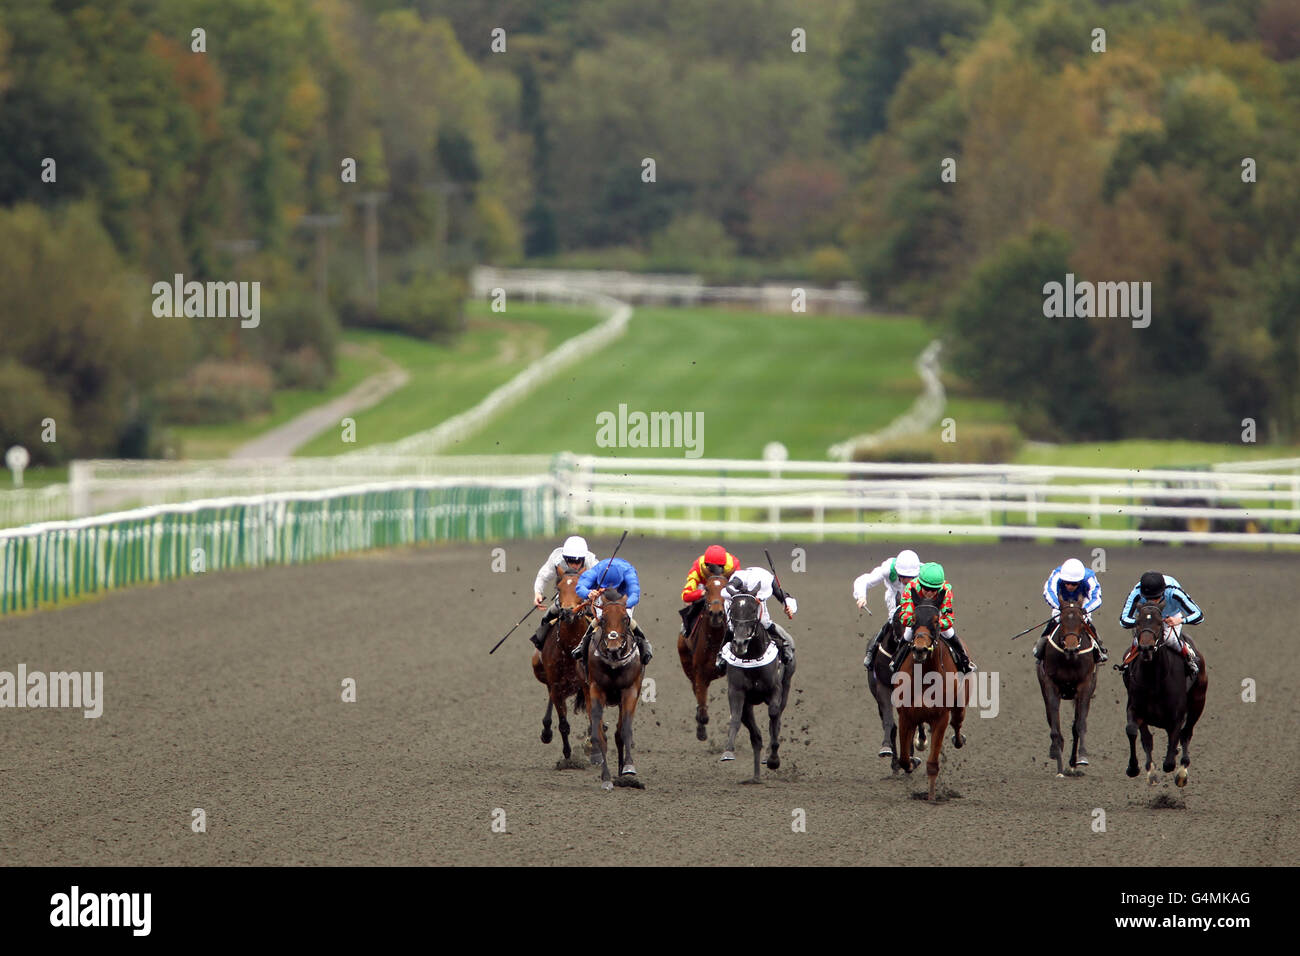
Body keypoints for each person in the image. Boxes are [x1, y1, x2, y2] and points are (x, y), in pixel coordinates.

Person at [890, 562, 976, 674]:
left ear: (939, 588)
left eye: (934, 590)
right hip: (917, 620)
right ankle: (896, 661)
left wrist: (935, 624)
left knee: (949, 633)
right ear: (920, 584)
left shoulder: (945, 591)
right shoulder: (911, 588)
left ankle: (965, 661)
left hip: (936, 617)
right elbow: (905, 615)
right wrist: (917, 621)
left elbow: (949, 618)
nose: (930, 593)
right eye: (926, 588)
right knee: (907, 634)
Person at [571, 556, 653, 666]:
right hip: (603, 598)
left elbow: (635, 594)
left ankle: (644, 643)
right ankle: (583, 644)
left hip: (623, 598)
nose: (609, 588)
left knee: (625, 618)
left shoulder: (628, 572)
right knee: (601, 618)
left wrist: (623, 606)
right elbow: (580, 587)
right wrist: (588, 593)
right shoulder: (596, 571)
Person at [1117, 570, 1202, 676]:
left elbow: (1199, 615)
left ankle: (1190, 660)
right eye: (1148, 598)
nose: (1153, 602)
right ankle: (1127, 663)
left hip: (1170, 616)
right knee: (1138, 641)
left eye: (1156, 598)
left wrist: (1179, 620)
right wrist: (1141, 622)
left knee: (1171, 639)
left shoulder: (1174, 592)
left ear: (1163, 591)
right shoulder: (1136, 592)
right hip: (1145, 619)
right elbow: (1123, 620)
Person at [852, 549, 921, 669]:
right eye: (904, 577)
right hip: (894, 596)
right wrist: (861, 596)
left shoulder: (924, 572)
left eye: (911, 577)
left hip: (915, 597)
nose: (907, 581)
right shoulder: (888, 569)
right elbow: (864, 580)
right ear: (898, 572)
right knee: (894, 620)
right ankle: (872, 649)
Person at [528, 535, 598, 650]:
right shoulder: (556, 559)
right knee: (548, 615)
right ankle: (541, 647)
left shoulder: (592, 562)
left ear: (583, 559)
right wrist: (538, 593)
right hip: (564, 598)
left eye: (578, 561)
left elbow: (604, 582)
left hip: (587, 598)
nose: (574, 565)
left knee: (603, 619)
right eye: (571, 561)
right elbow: (543, 576)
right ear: (565, 558)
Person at [1034, 557, 1108, 663]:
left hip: (1082, 602)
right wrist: (1060, 607)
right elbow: (1048, 592)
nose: (1069, 586)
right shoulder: (1056, 574)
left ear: (1081, 580)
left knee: (1086, 621)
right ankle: (1041, 647)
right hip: (1062, 602)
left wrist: (1085, 610)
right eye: (1066, 582)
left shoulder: (1089, 578)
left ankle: (1099, 648)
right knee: (1055, 620)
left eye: (1074, 584)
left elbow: (1096, 598)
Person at [721, 566, 797, 666]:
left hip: (755, 602)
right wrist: (738, 592)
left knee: (764, 621)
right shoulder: (738, 579)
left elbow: (784, 596)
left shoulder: (769, 581)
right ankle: (721, 653)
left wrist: (789, 607)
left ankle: (784, 644)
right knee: (732, 625)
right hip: (735, 599)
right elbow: (729, 587)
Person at [679, 544, 742, 638]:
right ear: (706, 566)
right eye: (711, 568)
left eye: (719, 567)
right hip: (705, 587)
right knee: (691, 606)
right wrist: (702, 593)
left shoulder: (734, 566)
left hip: (726, 587)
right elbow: (686, 595)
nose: (715, 571)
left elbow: (740, 591)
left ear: (724, 566)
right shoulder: (698, 568)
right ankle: (686, 628)